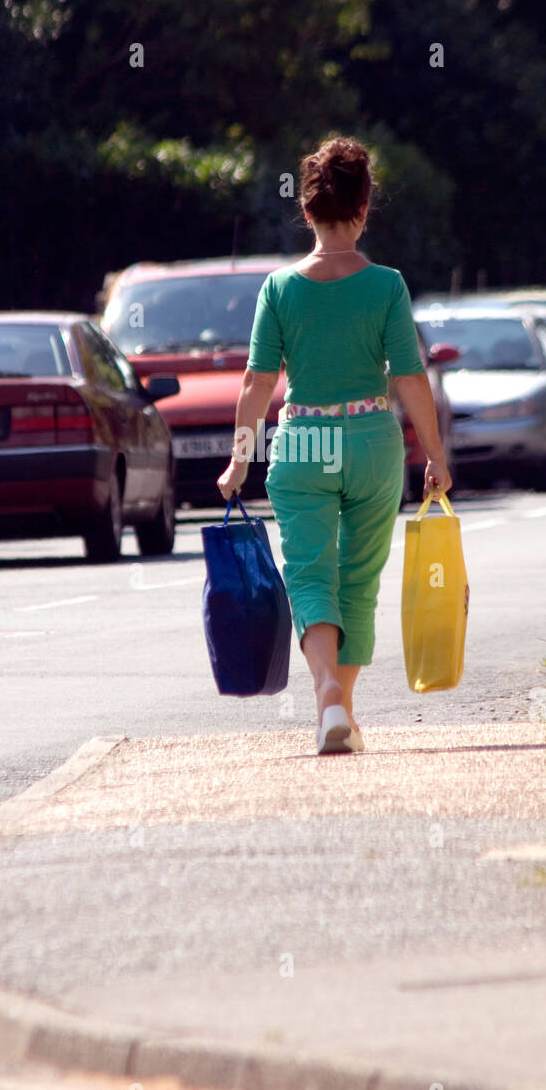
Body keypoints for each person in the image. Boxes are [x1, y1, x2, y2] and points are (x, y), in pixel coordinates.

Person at [217, 136, 452, 755]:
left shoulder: (279, 288)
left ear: (308, 210)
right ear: (364, 207)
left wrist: (240, 457)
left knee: (310, 576)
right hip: (372, 439)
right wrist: (434, 454)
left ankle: (326, 697)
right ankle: (338, 706)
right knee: (359, 581)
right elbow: (409, 377)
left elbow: (256, 382)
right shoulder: (387, 286)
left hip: (303, 442)